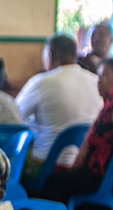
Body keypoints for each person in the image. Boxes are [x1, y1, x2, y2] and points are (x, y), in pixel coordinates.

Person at [16, 34, 103, 174]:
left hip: (46, 170)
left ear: (49, 55)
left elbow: (14, 116)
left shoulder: (41, 82)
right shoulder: (96, 81)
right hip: (86, 168)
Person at [32, 57, 113, 205]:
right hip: (105, 175)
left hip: (100, 175)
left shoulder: (111, 106)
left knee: (53, 182)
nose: (99, 81)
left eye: (105, 75)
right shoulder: (107, 105)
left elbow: (94, 140)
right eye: (99, 75)